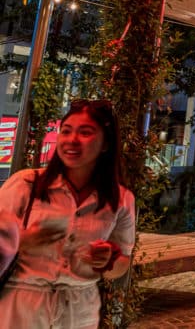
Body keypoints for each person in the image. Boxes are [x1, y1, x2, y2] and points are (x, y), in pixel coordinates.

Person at [0, 99, 135, 329]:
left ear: (105, 144)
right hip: (20, 306)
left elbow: (123, 263)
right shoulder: (26, 184)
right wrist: (20, 241)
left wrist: (108, 261)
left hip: (79, 310)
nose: (72, 140)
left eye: (85, 132)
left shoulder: (120, 200)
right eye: (66, 131)